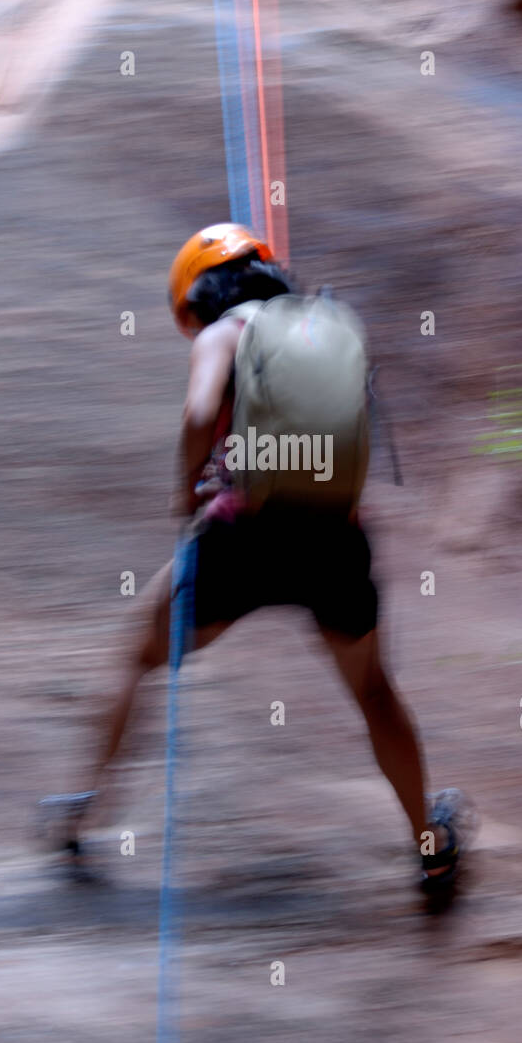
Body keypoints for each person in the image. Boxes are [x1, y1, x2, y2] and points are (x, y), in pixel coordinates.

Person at [41, 223, 472, 894]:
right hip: (333, 537)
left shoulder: (222, 335)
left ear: (195, 300)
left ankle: (78, 820)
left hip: (243, 535)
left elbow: (197, 415)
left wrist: (185, 494)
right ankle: (431, 843)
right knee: (375, 693)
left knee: (139, 656)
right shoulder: (324, 328)